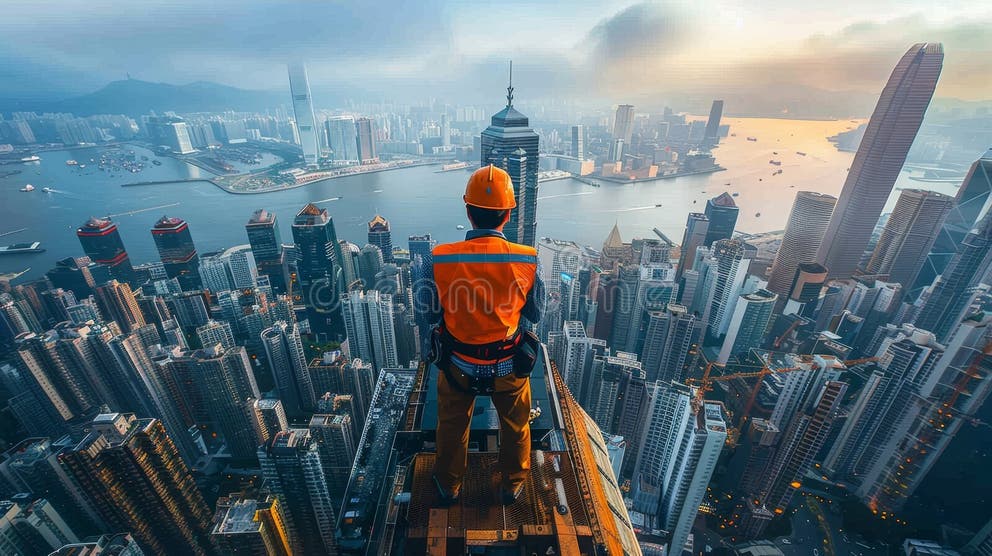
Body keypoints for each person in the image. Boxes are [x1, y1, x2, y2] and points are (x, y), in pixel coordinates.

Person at [415, 164, 545, 506]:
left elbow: (428, 314)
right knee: (516, 425)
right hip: (510, 366)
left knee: (452, 426)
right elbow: (535, 314)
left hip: (457, 365)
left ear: (468, 210)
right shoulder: (528, 260)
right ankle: (512, 484)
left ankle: (449, 486)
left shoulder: (437, 259)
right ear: (508, 214)